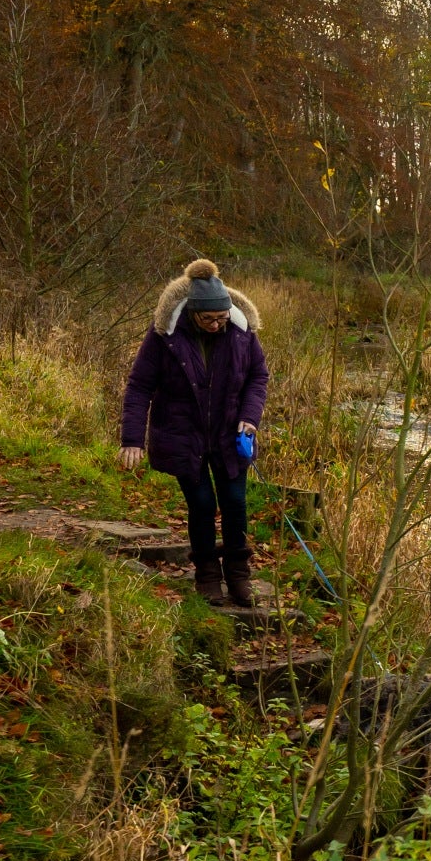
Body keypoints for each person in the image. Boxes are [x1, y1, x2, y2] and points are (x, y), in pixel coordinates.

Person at [118, 259, 270, 607]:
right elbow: (139, 385)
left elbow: (258, 376)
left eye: (221, 318)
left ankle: (238, 575)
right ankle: (207, 575)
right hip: (184, 436)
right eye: (208, 319)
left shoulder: (242, 332)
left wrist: (250, 417)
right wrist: (132, 439)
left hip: (230, 436)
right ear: (192, 313)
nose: (216, 324)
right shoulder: (164, 337)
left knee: (235, 503)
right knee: (201, 504)